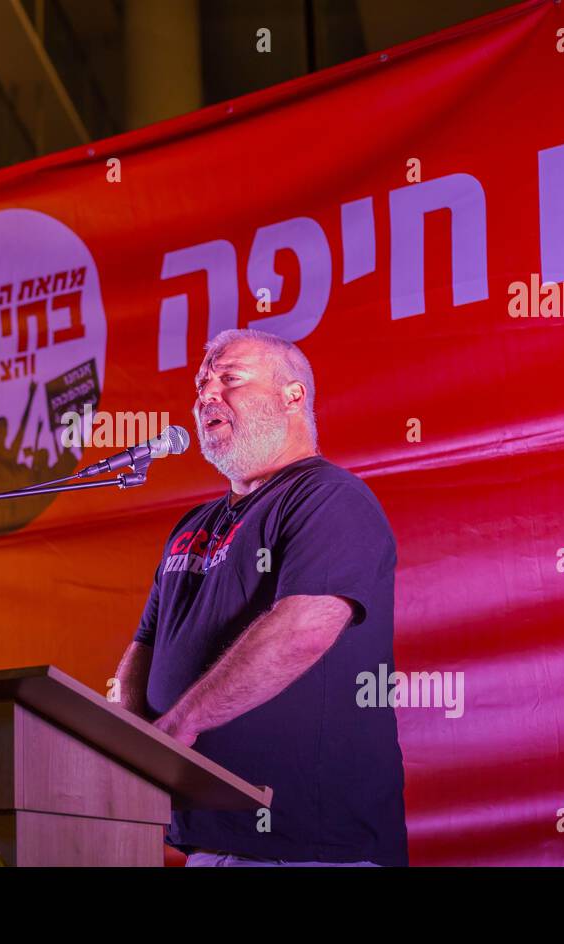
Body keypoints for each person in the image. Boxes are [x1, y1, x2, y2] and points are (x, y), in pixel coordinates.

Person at [113, 328, 408, 867]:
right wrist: (120, 750)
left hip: (308, 849)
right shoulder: (191, 526)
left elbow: (304, 629)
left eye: (229, 379)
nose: (206, 396)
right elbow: (145, 647)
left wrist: (177, 728)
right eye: (201, 384)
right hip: (207, 843)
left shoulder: (329, 498)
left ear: (292, 396)